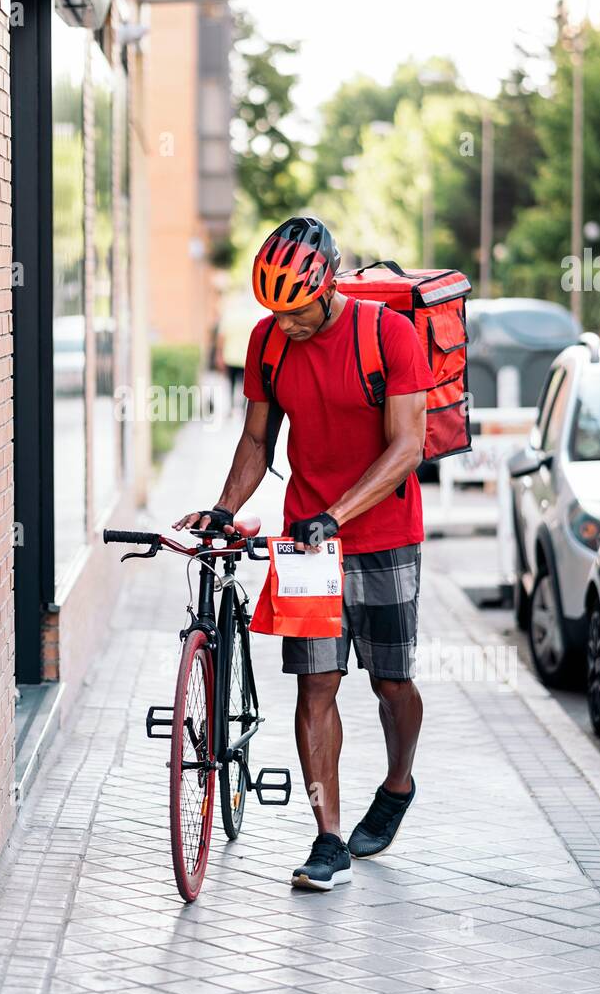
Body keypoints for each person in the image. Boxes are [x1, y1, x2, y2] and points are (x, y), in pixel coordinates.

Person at [173, 217, 434, 892]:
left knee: (390, 684)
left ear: (329, 286)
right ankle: (327, 838)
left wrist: (336, 515)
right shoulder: (268, 345)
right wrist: (224, 509)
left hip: (384, 536)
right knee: (315, 685)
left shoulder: (388, 335)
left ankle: (398, 782)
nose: (284, 322)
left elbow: (407, 446)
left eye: (297, 309)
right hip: (307, 544)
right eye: (275, 311)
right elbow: (258, 442)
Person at [214, 287, 262, 408]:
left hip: (230, 356)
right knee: (246, 385)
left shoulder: (229, 316)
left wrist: (219, 355)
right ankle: (242, 407)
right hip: (245, 358)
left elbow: (221, 337)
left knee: (231, 383)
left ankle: (231, 406)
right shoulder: (252, 318)